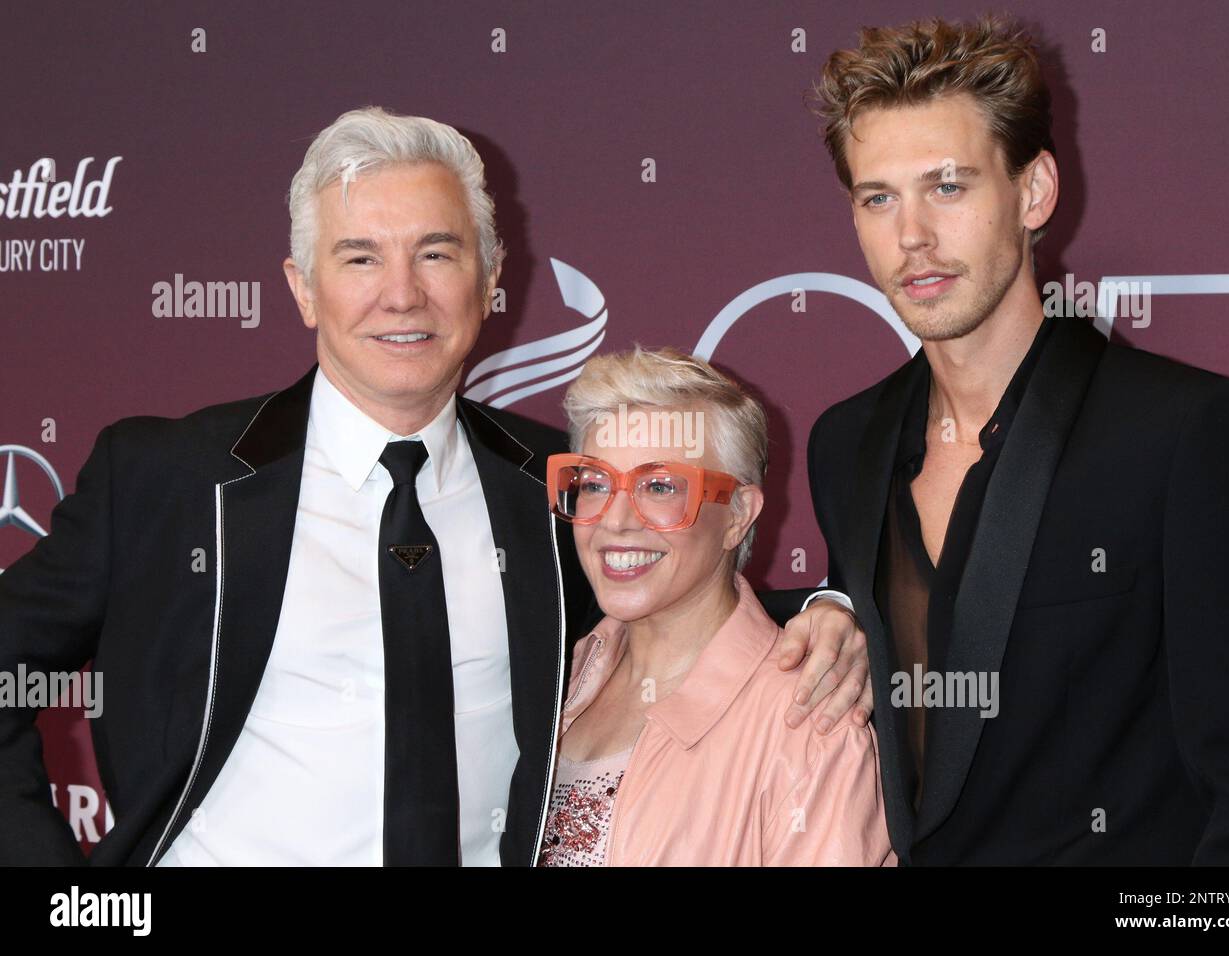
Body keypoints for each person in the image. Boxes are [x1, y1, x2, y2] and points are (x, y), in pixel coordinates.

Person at [0, 106, 868, 867]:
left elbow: (682, 579)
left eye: (436, 252)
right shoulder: (166, 480)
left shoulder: (554, 486)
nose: (402, 295)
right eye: (360, 258)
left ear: (493, 281)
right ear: (302, 290)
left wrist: (832, 607)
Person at [805, 14, 1229, 863]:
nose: (910, 235)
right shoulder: (844, 443)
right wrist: (829, 605)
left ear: (1033, 193)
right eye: (877, 197)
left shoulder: (1186, 434)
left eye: (949, 186)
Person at [536, 347, 895, 866]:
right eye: (594, 484)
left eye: (659, 486)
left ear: (737, 515)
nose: (614, 522)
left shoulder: (811, 723)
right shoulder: (562, 677)